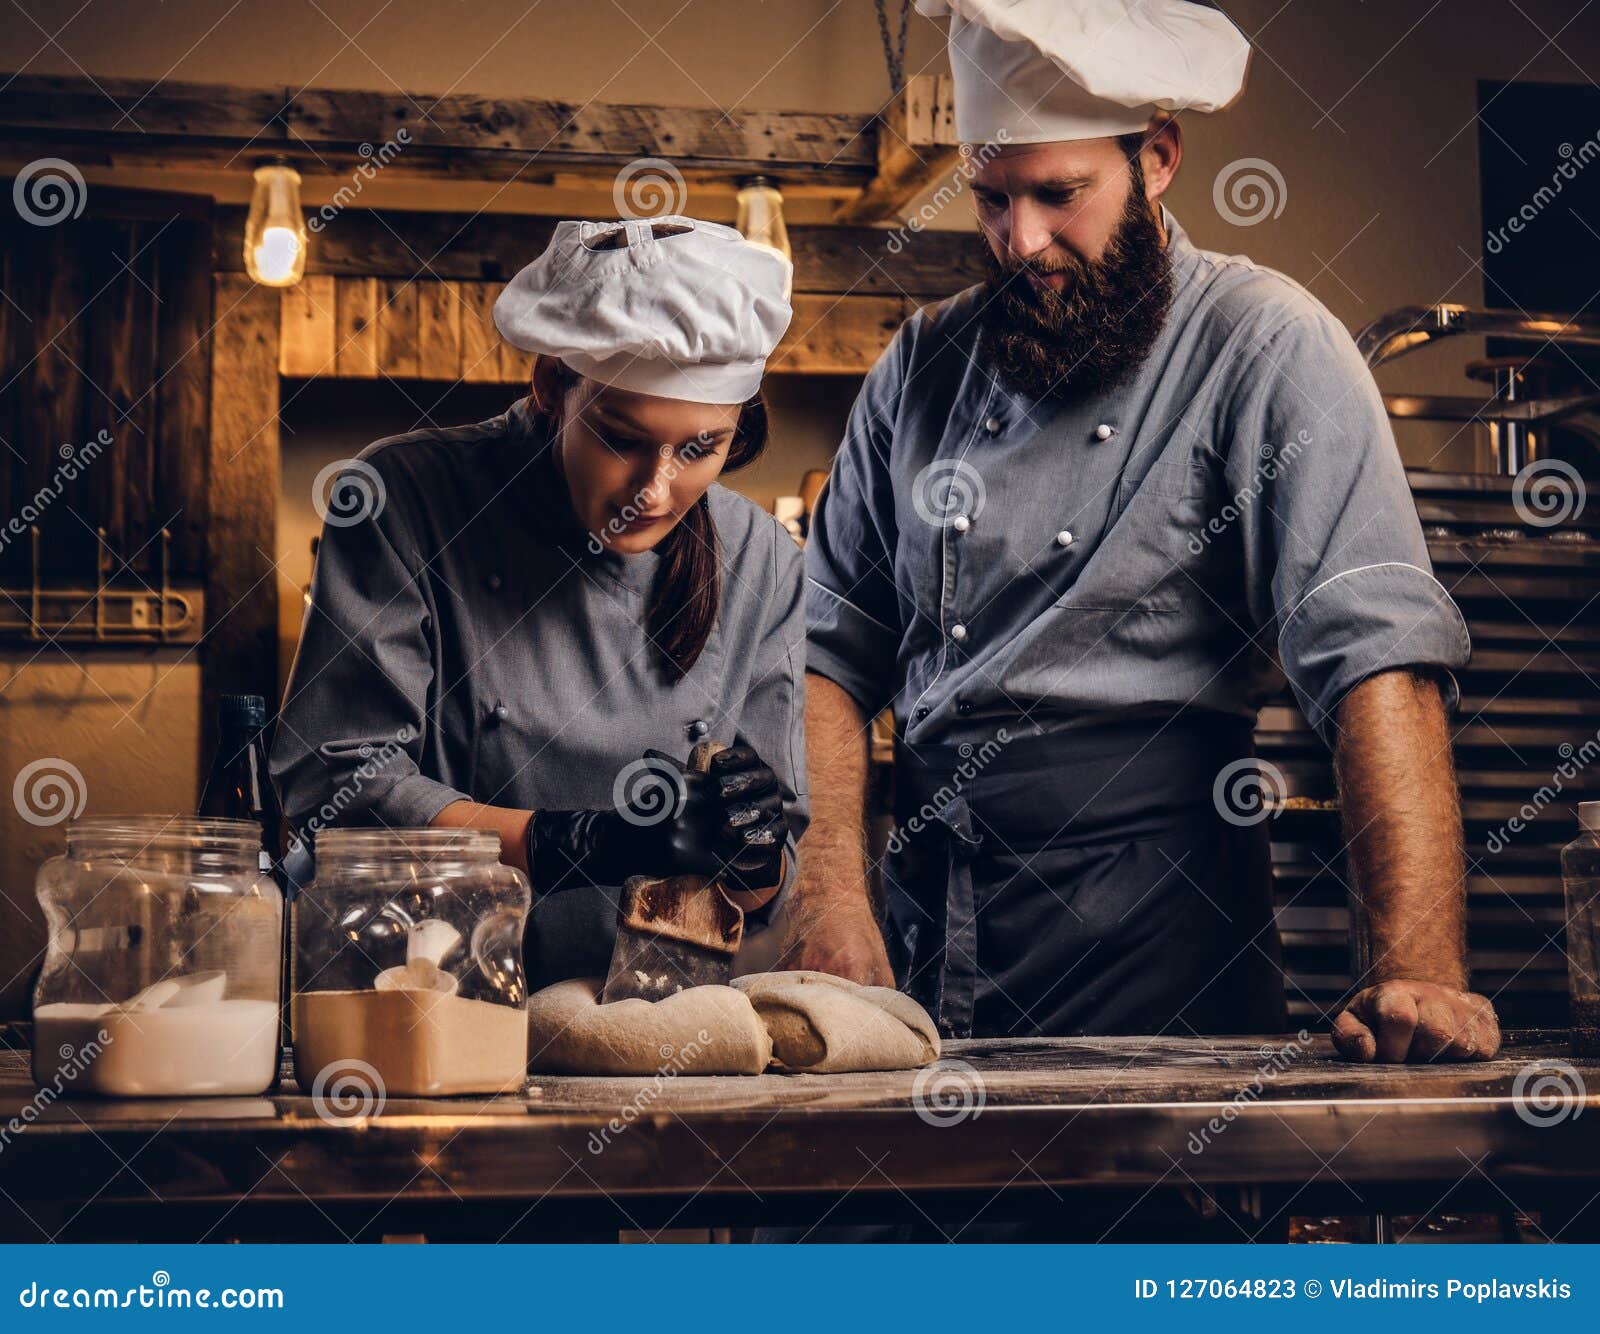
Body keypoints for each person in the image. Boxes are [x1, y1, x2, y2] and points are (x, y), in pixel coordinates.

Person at [790, 0, 1500, 1068]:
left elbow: (1377, 658)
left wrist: (1419, 970)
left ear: (1157, 158)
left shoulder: (1261, 345)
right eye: (990, 198)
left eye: (1057, 194)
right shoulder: (922, 365)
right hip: (927, 933)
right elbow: (824, 655)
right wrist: (831, 891)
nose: (1020, 240)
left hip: (1161, 943)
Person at [271, 216, 807, 988]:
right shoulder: (403, 498)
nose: (656, 492)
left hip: (644, 1027)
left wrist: (752, 849)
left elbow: (759, 892)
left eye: (700, 449)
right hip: (422, 1000)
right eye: (621, 438)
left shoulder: (761, 559)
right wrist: (573, 844)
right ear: (553, 387)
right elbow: (338, 791)